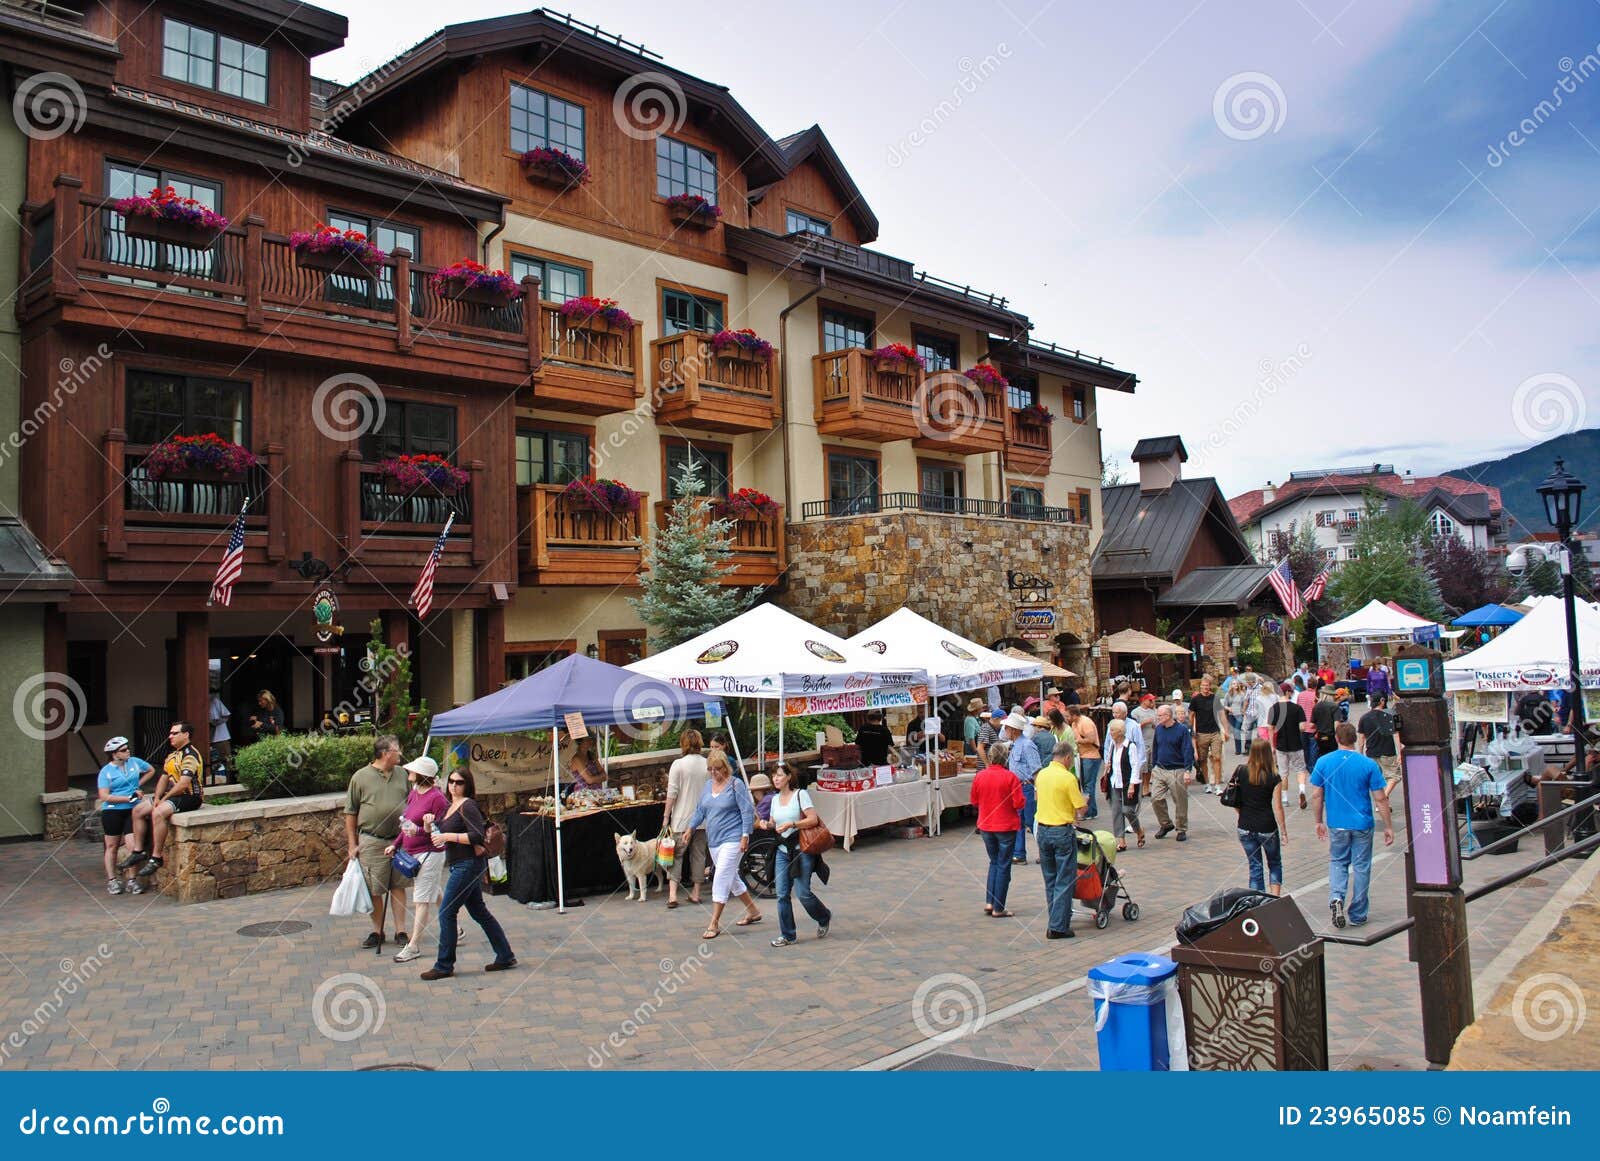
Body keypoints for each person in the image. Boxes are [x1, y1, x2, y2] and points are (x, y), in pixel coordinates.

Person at [420, 767, 517, 979]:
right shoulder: (448, 806)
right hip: (460, 864)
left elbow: (476, 835)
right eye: (451, 781)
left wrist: (449, 837)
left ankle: (444, 965)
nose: (454, 786)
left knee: (446, 912)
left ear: (467, 785)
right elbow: (436, 833)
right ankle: (505, 955)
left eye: (459, 782)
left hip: (468, 864)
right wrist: (428, 826)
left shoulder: (468, 805)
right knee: (479, 911)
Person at [1309, 722, 1394, 928]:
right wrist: (1388, 825)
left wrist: (1318, 821)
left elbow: (1316, 795)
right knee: (1362, 866)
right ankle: (1358, 912)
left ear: (1337, 739)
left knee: (1338, 861)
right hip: (1362, 822)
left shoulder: (1324, 762)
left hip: (1337, 823)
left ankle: (1336, 897)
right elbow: (1381, 798)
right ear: (1355, 739)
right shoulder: (1367, 764)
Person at [684, 751, 762, 939]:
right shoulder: (708, 785)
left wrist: (745, 836)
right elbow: (700, 810)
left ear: (725, 767)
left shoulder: (736, 784)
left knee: (720, 876)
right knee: (731, 877)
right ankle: (753, 911)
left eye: (717, 769)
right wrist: (690, 828)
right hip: (715, 840)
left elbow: (746, 812)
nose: (714, 773)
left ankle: (714, 923)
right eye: (710, 769)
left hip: (733, 838)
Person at [342, 735, 409, 952]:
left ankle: (401, 930)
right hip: (372, 840)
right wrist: (352, 844)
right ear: (386, 753)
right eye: (397, 749)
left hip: (399, 839)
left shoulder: (403, 774)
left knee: (398, 884)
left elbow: (413, 801)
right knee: (374, 888)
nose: (400, 753)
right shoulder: (360, 777)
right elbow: (350, 813)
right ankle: (378, 930)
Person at [119, 720, 205, 881]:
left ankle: (156, 857)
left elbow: (183, 784)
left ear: (186, 735)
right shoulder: (172, 755)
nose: (170, 736)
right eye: (170, 733)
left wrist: (163, 799)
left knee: (158, 812)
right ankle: (138, 851)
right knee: (138, 809)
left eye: (174, 733)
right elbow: (163, 778)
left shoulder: (191, 755)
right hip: (173, 795)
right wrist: (157, 797)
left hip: (190, 797)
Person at [387, 756, 448, 963]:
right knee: (433, 890)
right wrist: (395, 844)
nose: (408, 772)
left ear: (421, 774)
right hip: (414, 852)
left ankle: (413, 946)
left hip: (430, 853)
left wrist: (420, 830)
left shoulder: (437, 798)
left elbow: (442, 828)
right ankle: (454, 928)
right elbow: (406, 822)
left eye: (412, 770)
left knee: (421, 900)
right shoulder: (415, 793)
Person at [768, 764, 831, 947]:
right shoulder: (774, 799)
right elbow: (774, 823)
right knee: (781, 894)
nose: (776, 779)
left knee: (803, 893)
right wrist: (766, 824)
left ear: (788, 777)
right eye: (774, 776)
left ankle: (823, 916)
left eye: (779, 775)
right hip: (782, 850)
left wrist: (792, 824)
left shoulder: (800, 794)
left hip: (801, 849)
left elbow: (813, 819)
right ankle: (788, 935)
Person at [1035, 739, 1088, 939]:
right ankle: (1058, 926)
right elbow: (1080, 808)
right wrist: (1085, 803)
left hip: (1043, 829)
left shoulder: (1042, 774)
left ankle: (1054, 919)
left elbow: (1038, 799)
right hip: (1061, 830)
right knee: (1064, 880)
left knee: (1050, 879)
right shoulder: (1068, 778)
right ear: (1067, 758)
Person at [971, 742, 1025, 917]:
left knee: (994, 862)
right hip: (1005, 825)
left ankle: (990, 901)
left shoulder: (980, 776)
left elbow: (974, 800)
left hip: (986, 825)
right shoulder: (1010, 777)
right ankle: (998, 907)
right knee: (1003, 865)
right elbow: (1019, 803)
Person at [1231, 738, 1288, 895]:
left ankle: (1258, 903)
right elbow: (1278, 807)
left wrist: (1242, 814)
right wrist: (1283, 831)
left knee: (1255, 866)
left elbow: (1235, 800)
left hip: (1245, 826)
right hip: (1267, 826)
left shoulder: (1241, 771)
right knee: (1274, 863)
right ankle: (1275, 899)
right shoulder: (1273, 776)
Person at [98, 737, 153, 895]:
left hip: (132, 811)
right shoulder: (106, 772)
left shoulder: (134, 762)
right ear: (114, 754)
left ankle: (132, 880)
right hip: (112, 811)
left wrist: (138, 786)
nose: (127, 751)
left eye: (127, 748)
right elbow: (104, 796)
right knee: (112, 846)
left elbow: (151, 770)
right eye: (123, 750)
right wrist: (127, 798)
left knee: (132, 845)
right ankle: (112, 880)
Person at [663, 730, 710, 909]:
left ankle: (673, 894)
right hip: (702, 819)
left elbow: (672, 793)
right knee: (699, 855)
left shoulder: (678, 764)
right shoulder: (707, 764)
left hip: (681, 818)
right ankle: (696, 892)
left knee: (676, 856)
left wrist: (666, 816)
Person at [1149, 703, 1194, 842]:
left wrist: (1187, 770)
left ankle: (1181, 828)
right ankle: (1166, 824)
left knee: (1180, 801)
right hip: (1160, 769)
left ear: (1168, 716)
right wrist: (1153, 766)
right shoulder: (1159, 729)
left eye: (1160, 715)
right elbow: (1155, 747)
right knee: (1155, 798)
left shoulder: (1181, 730)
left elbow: (1188, 750)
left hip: (1177, 769)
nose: (1158, 718)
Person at [1001, 711, 1042, 864]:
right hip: (1017, 787)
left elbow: (1036, 770)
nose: (1005, 730)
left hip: (1027, 787)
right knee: (1017, 821)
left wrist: (1038, 790)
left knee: (1032, 821)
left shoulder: (1027, 745)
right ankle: (1019, 854)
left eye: (1007, 728)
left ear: (1014, 729)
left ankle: (1044, 852)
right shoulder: (1015, 744)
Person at [1103, 719, 1144, 850]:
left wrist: (1132, 785)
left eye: (1112, 730)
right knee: (1116, 812)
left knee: (1128, 810)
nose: (1110, 733)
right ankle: (1121, 841)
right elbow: (1110, 761)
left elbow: (1135, 766)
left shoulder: (1130, 746)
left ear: (1120, 732)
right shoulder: (1112, 745)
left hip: (1127, 783)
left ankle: (1138, 830)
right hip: (1114, 782)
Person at [1270, 682, 1310, 810]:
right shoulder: (1297, 708)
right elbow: (1302, 727)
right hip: (1296, 744)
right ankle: (1302, 790)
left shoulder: (1274, 709)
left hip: (1281, 745)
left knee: (1283, 773)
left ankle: (1285, 798)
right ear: (1288, 693)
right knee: (1300, 769)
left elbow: (1270, 729)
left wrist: (1272, 745)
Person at [1357, 695, 1402, 807]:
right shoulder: (1389, 715)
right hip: (1388, 751)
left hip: (1371, 753)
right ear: (1381, 701)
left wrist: (1361, 753)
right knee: (1394, 776)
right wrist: (1400, 752)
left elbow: (1361, 738)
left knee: (1378, 780)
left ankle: (1384, 802)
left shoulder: (1364, 717)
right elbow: (1396, 735)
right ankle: (1384, 797)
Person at [1189, 674, 1223, 794]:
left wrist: (1226, 730)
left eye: (1207, 685)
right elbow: (1191, 715)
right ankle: (1207, 783)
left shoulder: (1215, 698)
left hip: (1215, 732)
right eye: (1203, 685)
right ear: (1200, 687)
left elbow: (1221, 714)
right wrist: (1191, 729)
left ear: (1210, 687)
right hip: (1201, 733)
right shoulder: (1195, 700)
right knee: (1202, 760)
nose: (1205, 687)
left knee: (1217, 758)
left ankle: (1218, 785)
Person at [1068, 704, 1102, 821]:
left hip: (1091, 756)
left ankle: (1090, 811)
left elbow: (1091, 739)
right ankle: (1091, 810)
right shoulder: (1073, 724)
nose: (1067, 718)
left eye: (1068, 716)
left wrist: (1079, 741)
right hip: (1082, 755)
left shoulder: (1086, 722)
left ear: (1073, 715)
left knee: (1089, 784)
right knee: (1084, 784)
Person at [1311, 682, 1339, 766]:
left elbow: (1312, 724)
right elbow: (1336, 723)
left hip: (1320, 736)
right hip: (1331, 736)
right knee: (1333, 757)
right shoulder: (1334, 706)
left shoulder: (1316, 706)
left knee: (1323, 756)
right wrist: (1338, 736)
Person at [207, 688, 232, 765]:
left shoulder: (215, 701)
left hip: (220, 737)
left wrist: (214, 723)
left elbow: (226, 715)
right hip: (210, 740)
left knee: (226, 761)